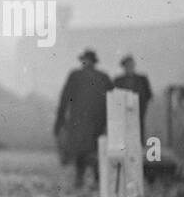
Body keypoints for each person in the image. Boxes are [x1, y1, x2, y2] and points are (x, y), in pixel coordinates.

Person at [54, 48, 113, 188]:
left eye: (86, 60)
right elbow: (65, 97)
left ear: (91, 61)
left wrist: (60, 120)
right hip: (89, 120)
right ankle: (86, 180)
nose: (85, 63)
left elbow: (112, 97)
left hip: (88, 120)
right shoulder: (85, 76)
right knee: (90, 149)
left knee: (89, 150)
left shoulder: (97, 77)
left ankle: (91, 180)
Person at [112, 52, 153, 141]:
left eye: (131, 64)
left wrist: (142, 104)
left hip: (139, 107)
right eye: (127, 65)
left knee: (139, 126)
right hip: (123, 109)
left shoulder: (142, 79)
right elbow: (114, 96)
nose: (129, 67)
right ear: (123, 67)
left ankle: (140, 145)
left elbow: (148, 94)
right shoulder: (118, 80)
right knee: (123, 127)